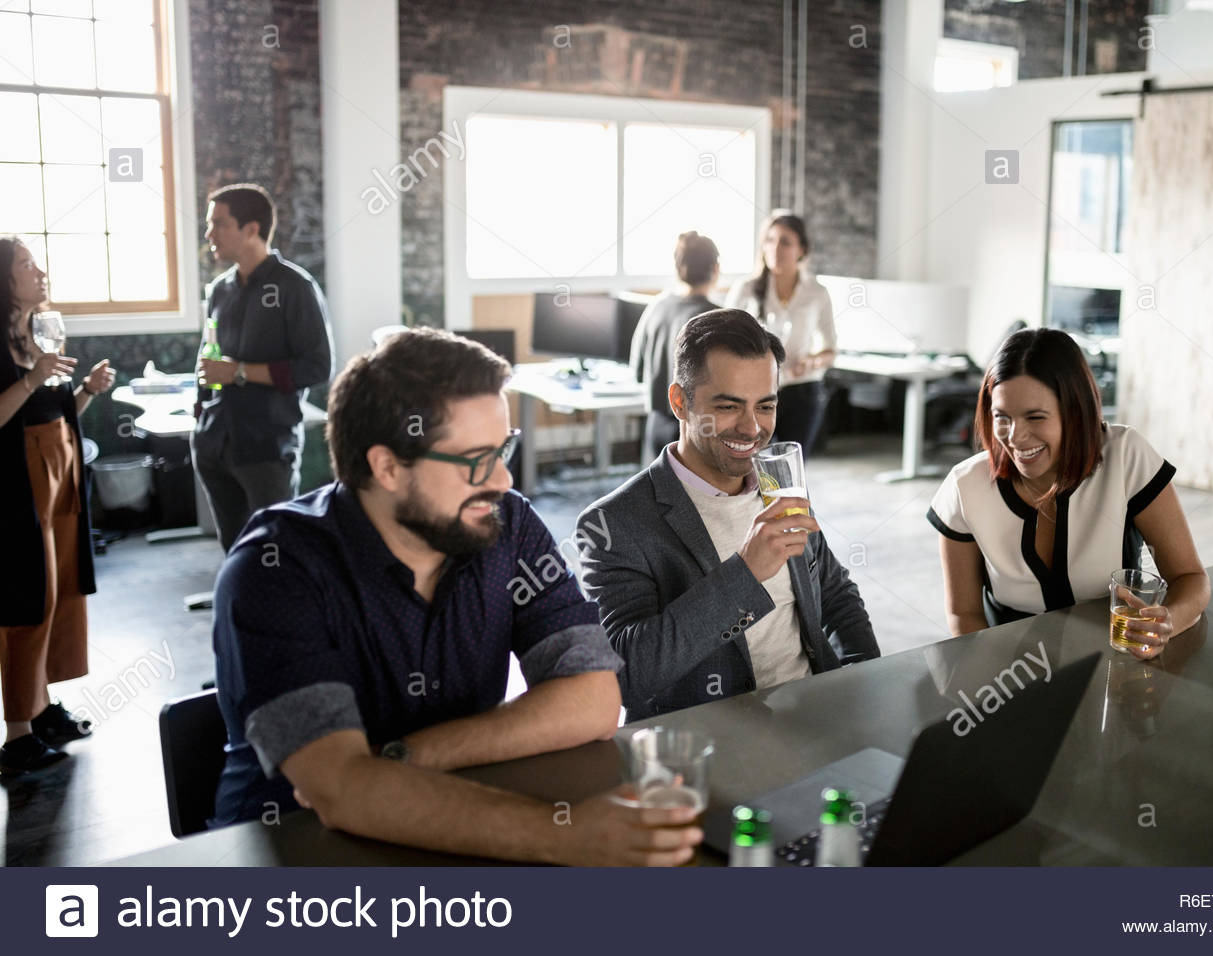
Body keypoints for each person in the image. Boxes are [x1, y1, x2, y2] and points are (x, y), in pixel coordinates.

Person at [211, 328, 702, 865]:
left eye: (503, 450)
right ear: (388, 467)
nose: (503, 478)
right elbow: (336, 789)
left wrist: (405, 756)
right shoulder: (275, 568)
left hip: (461, 817)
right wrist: (563, 836)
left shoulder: (504, 524)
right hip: (295, 853)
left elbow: (593, 700)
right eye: (476, 461)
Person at [577, 309, 879, 720]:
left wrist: (861, 678)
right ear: (679, 402)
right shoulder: (613, 524)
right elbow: (626, 676)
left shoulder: (779, 482)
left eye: (765, 406)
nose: (752, 428)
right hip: (708, 741)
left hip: (815, 716)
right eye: (728, 406)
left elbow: (834, 591)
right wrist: (745, 574)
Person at [927, 328, 1210, 659]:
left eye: (1035, 417)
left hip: (1113, 661)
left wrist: (1167, 622)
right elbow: (964, 614)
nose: (1015, 437)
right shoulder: (964, 487)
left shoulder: (1125, 456)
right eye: (1002, 418)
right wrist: (998, 685)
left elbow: (1190, 578)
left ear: (1075, 412)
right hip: (1010, 669)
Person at [0, 237, 116, 774]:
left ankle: (43, 708)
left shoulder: (38, 329)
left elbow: (53, 405)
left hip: (60, 469)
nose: (39, 271)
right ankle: (18, 732)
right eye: (26, 264)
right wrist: (33, 376)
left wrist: (86, 390)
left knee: (63, 588)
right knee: (29, 597)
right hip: (18, 480)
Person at [194, 183, 334, 551]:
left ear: (252, 229)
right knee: (234, 552)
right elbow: (208, 360)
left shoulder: (296, 287)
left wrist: (239, 372)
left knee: (275, 551)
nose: (209, 234)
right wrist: (200, 418)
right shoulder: (220, 290)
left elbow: (318, 367)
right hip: (214, 442)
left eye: (219, 224)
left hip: (266, 447)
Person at [725, 210, 837, 452]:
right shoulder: (745, 289)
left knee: (792, 469)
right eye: (770, 240)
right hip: (753, 391)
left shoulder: (817, 292)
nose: (775, 249)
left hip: (802, 391)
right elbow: (724, 343)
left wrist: (812, 362)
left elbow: (830, 351)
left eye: (785, 242)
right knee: (751, 465)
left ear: (802, 250)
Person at [629, 231, 721, 463]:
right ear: (715, 268)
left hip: (656, 423)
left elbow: (638, 370)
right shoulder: (717, 319)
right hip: (693, 430)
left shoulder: (656, 307)